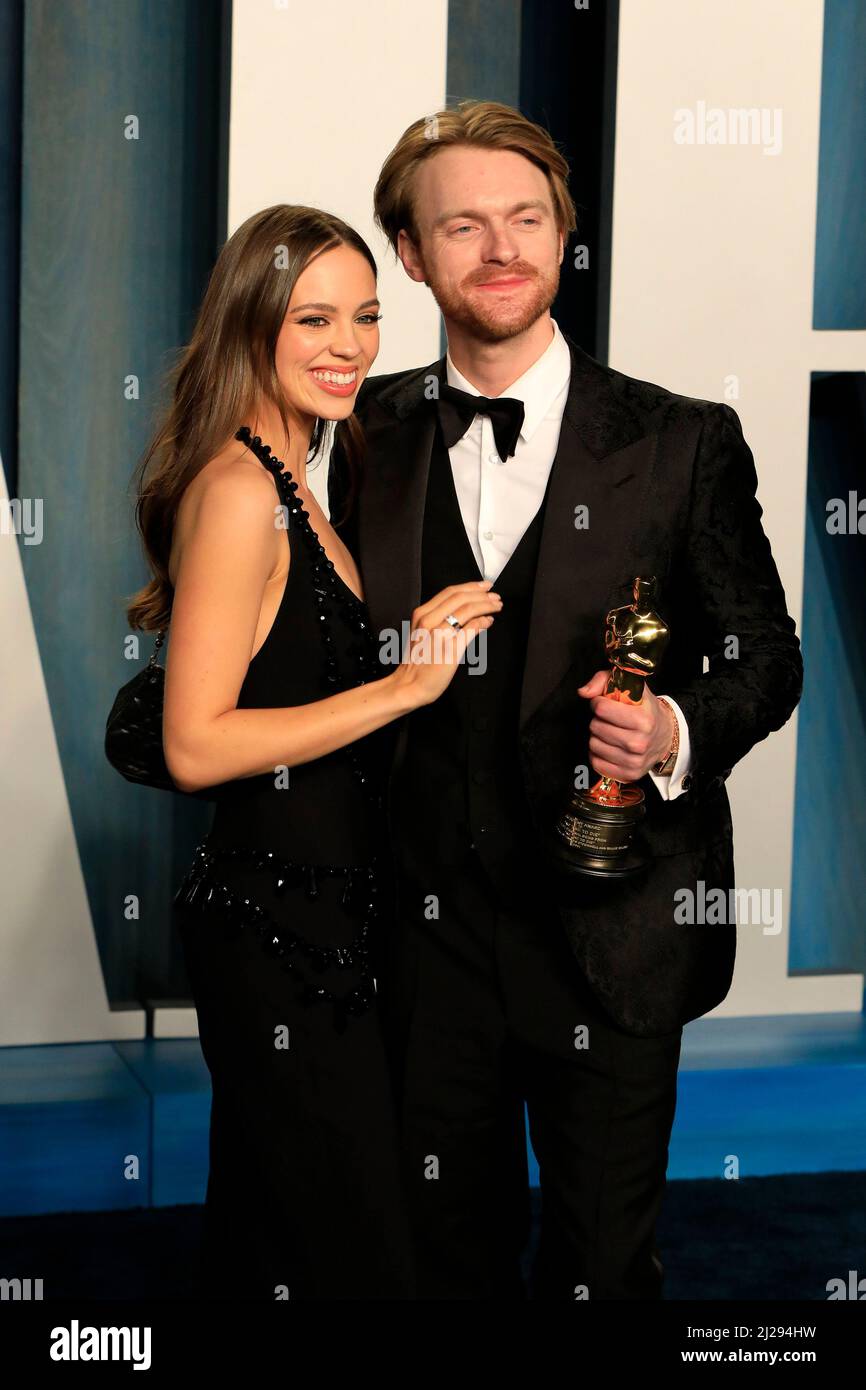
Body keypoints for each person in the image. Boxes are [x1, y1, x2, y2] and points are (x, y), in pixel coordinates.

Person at [328, 100, 804, 1300]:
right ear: (410, 250)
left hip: (614, 927)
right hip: (422, 938)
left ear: (562, 233)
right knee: (441, 1262)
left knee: (600, 1266)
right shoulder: (362, 429)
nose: (501, 249)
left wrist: (674, 731)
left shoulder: (683, 439)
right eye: (464, 226)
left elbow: (764, 655)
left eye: (526, 219)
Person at [125, 203, 500, 1299]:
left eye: (369, 317)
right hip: (276, 935)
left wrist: (411, 644)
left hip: (335, 922)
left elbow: (293, 679)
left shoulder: (306, 485)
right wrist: (403, 684)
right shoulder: (242, 493)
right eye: (314, 319)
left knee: (282, 1238)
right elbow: (195, 744)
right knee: (347, 1250)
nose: (350, 346)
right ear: (252, 327)